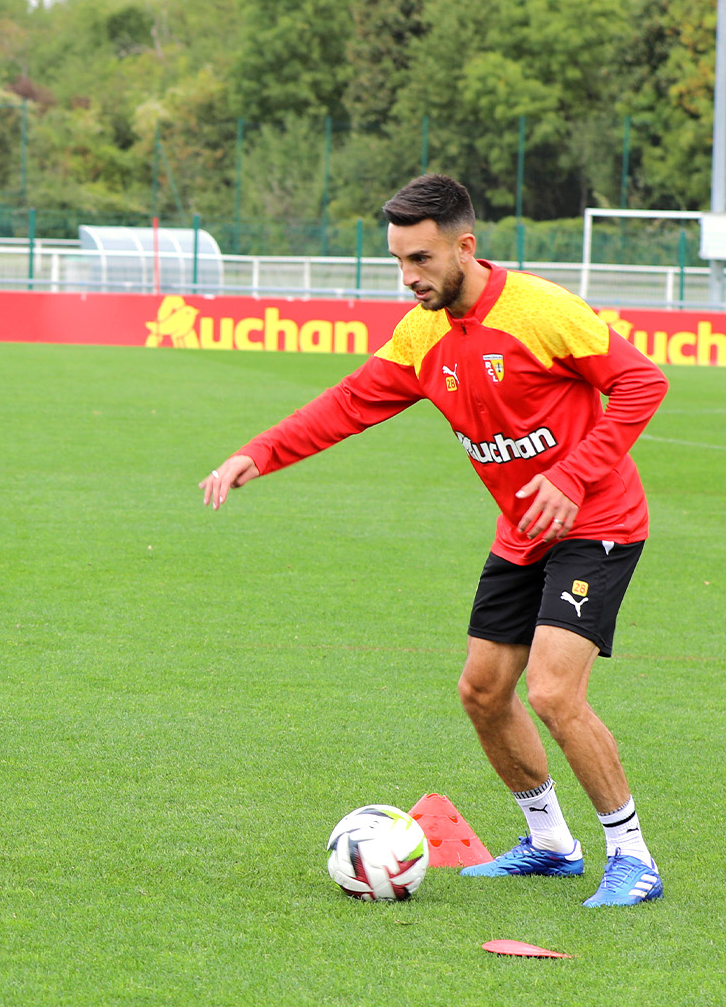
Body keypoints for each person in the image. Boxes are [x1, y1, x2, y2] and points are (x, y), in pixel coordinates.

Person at [200, 174, 670, 907]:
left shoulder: (542, 311)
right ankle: (550, 843)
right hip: (522, 533)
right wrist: (258, 453)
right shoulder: (421, 334)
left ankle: (632, 857)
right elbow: (350, 403)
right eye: (398, 261)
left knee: (550, 689)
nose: (408, 277)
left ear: (465, 246)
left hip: (595, 524)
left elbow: (641, 382)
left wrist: (573, 478)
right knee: (483, 692)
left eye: (420, 259)